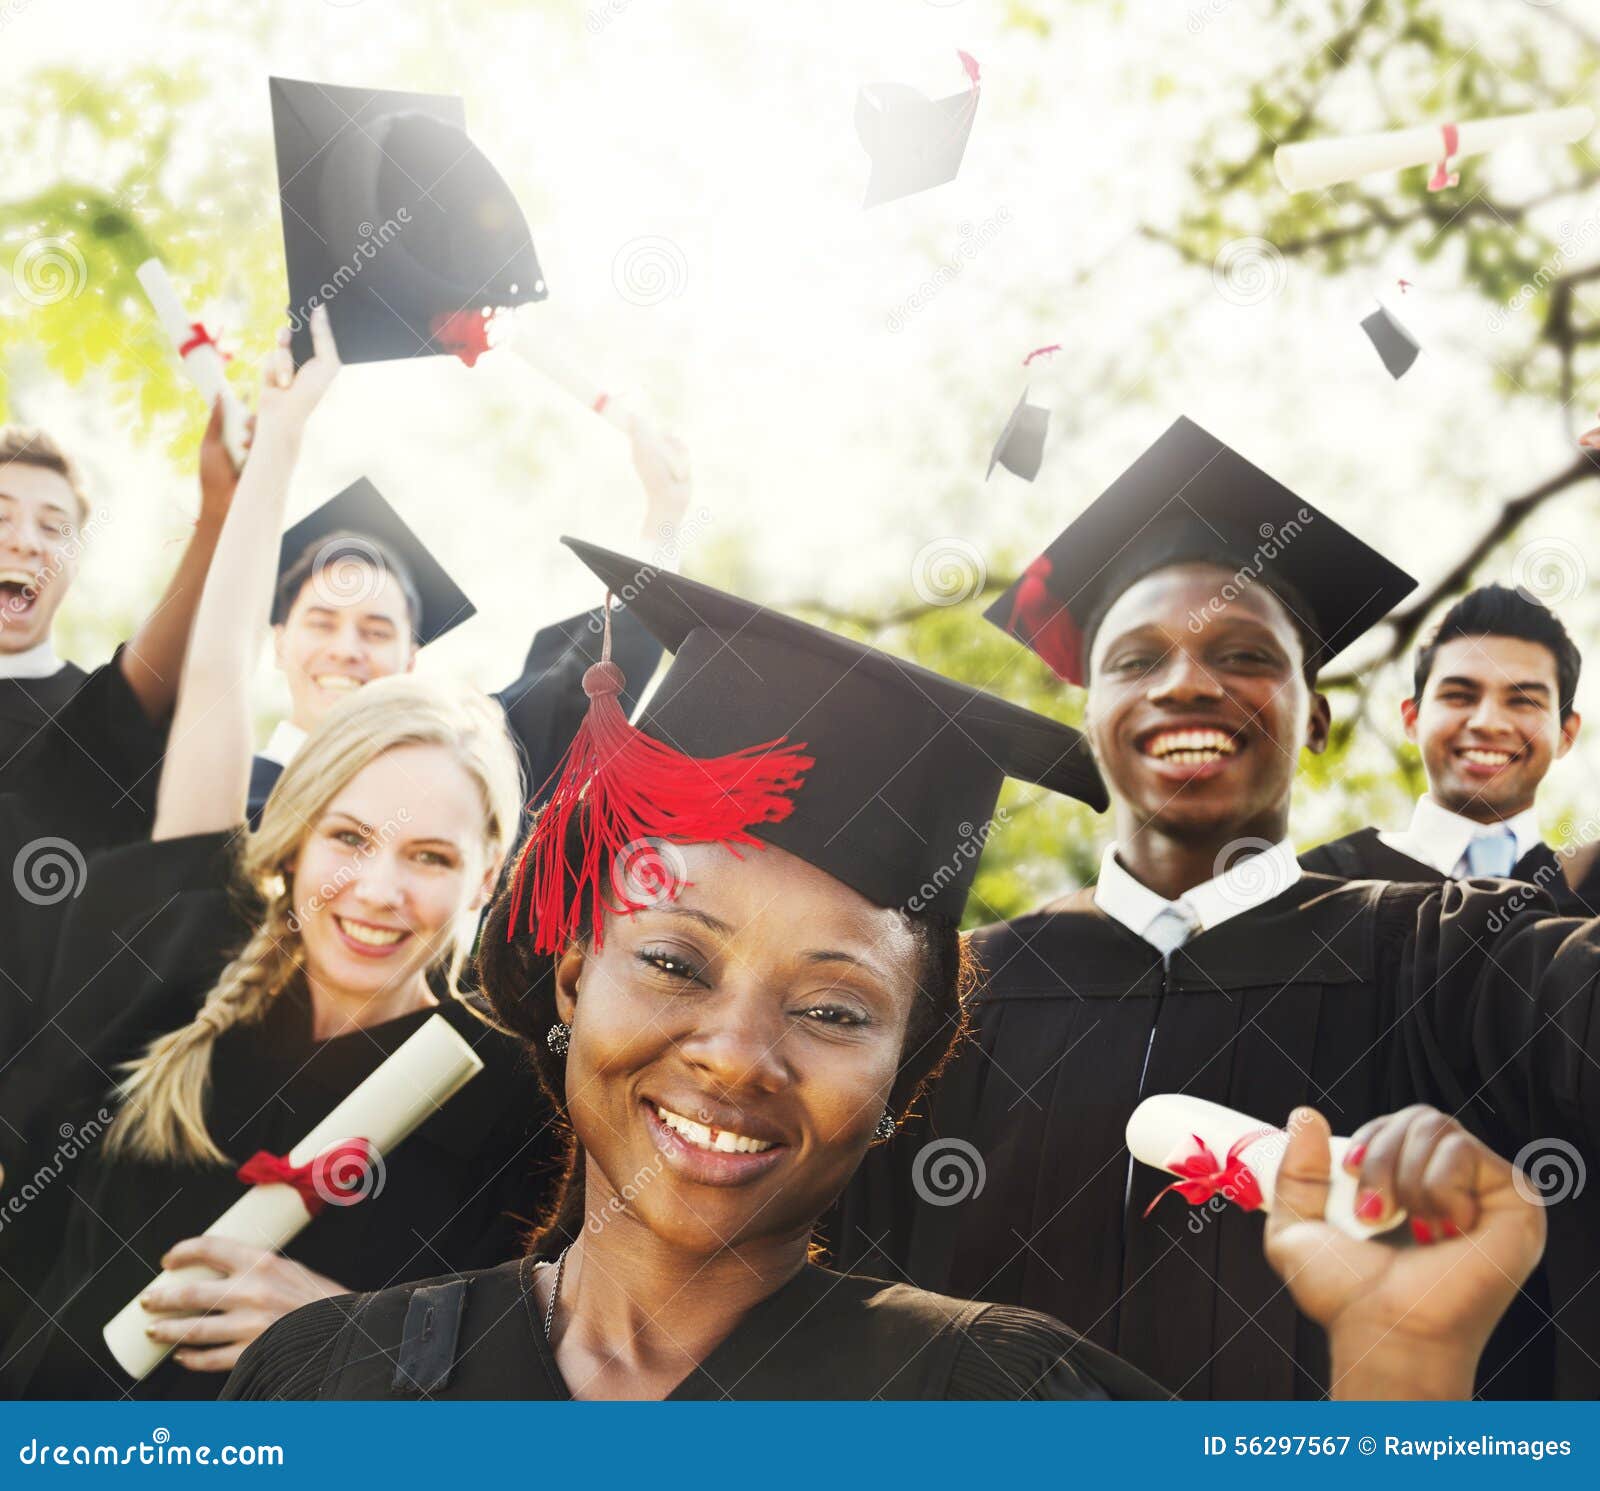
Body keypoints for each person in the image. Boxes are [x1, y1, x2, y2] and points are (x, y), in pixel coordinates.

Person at [222, 548, 1543, 1401]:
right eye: (674, 960)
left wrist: (1403, 1370)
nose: (736, 1052)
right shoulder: (322, 1380)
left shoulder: (1014, 1402)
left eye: (832, 1007)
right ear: (573, 973)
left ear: (910, 1065)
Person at [838, 415, 1600, 1400]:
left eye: (1244, 655)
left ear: (1315, 715)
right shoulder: (953, 992)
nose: (1187, 683)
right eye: (1135, 661)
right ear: (1092, 716)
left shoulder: (1458, 952)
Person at [0, 310, 553, 1399]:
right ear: (293, 841)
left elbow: (514, 1389)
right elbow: (214, 685)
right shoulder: (189, 951)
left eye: (431, 856)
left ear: (485, 876)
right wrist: (280, 442)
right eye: (347, 837)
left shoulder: (513, 1106)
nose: (378, 891)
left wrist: (349, 1332)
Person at [247, 421, 684, 823]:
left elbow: (573, 688)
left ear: (409, 660)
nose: (346, 649)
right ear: (280, 644)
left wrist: (665, 513)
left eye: (376, 632)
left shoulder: (470, 761)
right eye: (322, 624)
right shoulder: (228, 800)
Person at [0, 404, 241, 850]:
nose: (26, 542)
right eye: (1, 517)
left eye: (53, 527)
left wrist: (217, 516)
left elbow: (126, 700)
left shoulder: (86, 719)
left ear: (74, 563)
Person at [1301, 584, 1600, 912]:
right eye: (1459, 695)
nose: (1487, 723)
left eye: (1524, 701)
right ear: (1412, 719)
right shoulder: (1321, 885)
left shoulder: (1588, 892)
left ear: (1566, 734)